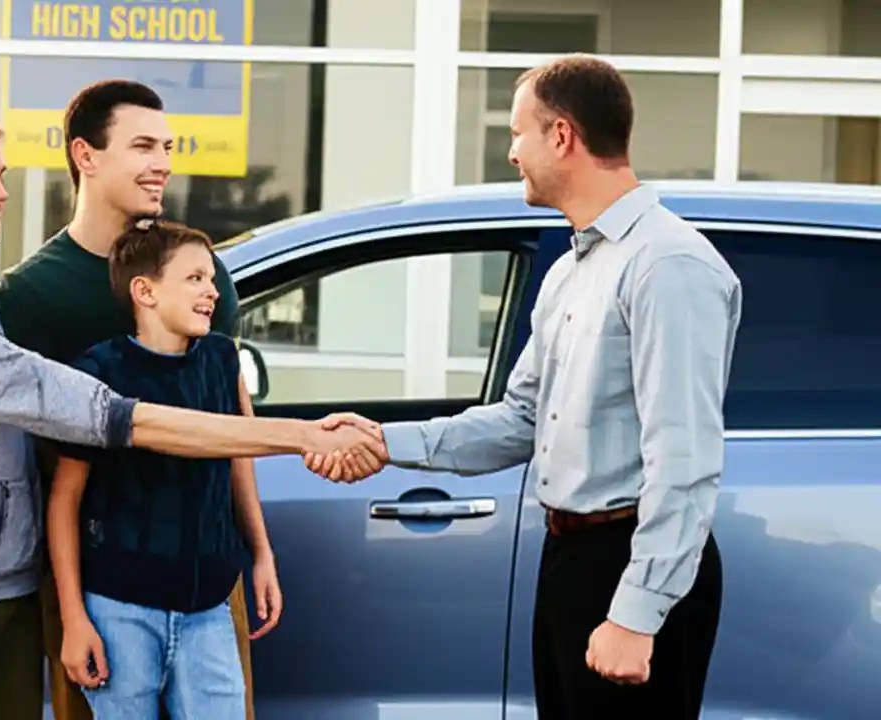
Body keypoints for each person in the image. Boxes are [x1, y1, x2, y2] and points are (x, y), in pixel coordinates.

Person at [0, 105, 384, 720]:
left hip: (9, 579)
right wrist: (301, 435)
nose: (3, 193)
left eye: (2, 175)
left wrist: (256, 544)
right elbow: (93, 411)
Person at [308, 55, 742, 719]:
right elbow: (520, 420)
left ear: (562, 136)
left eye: (518, 133)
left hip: (629, 562)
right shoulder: (572, 271)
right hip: (569, 559)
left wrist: (638, 612)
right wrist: (380, 440)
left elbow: (683, 461)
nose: (511, 152)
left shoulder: (667, 265)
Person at [0, 80, 268, 720]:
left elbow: (230, 423)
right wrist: (71, 608)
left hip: (206, 579)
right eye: (143, 145)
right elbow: (37, 464)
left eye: (167, 146)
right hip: (98, 591)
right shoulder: (32, 295)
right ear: (85, 155)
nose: (163, 163)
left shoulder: (201, 273)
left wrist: (258, 549)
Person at [49, 219, 262, 719]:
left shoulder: (221, 361)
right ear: (144, 291)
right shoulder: (99, 374)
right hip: (119, 612)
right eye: (195, 279)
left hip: (207, 611)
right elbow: (64, 501)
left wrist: (262, 554)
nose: (212, 291)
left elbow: (240, 460)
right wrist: (74, 618)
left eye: (211, 279)